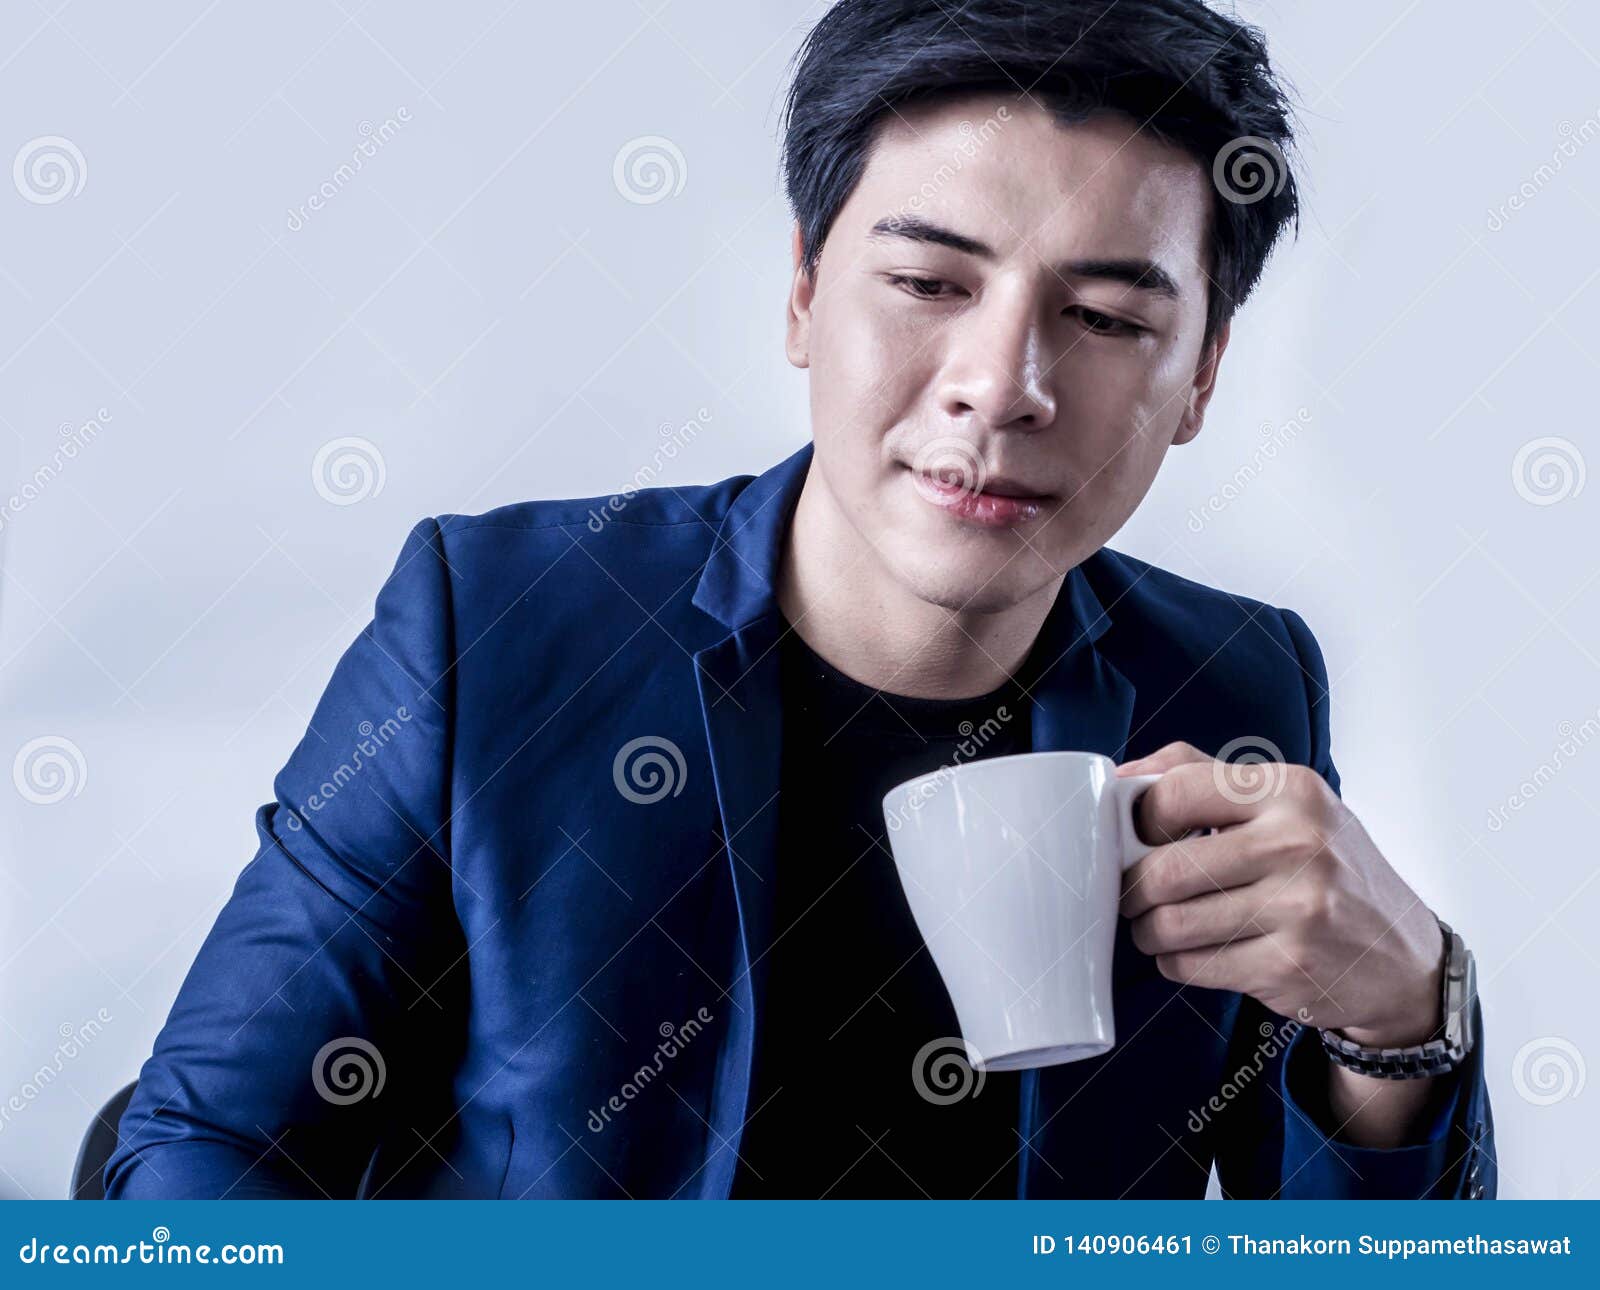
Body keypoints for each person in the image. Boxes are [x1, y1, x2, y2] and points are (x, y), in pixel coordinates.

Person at [106, 0, 1493, 1199]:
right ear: (801, 294)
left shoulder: (1240, 683)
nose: (1003, 383)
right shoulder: (503, 624)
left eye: (1112, 319)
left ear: (1200, 376)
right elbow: (198, 1146)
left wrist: (1399, 1018)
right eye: (927, 282)